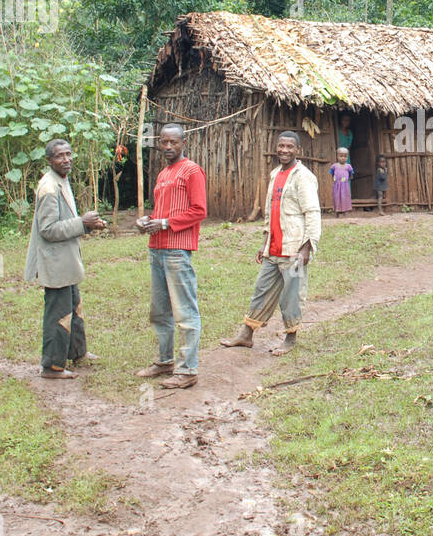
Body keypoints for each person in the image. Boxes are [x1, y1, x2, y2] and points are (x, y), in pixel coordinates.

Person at [223, 131, 321, 356]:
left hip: (294, 248)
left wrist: (307, 247)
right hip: (274, 247)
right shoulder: (276, 173)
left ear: (298, 150)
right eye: (281, 146)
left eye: (289, 147)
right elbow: (271, 212)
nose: (284, 150)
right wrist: (265, 242)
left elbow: (312, 212)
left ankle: (290, 338)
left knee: (292, 295)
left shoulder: (302, 176)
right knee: (261, 290)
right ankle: (246, 335)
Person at [24, 139, 107, 379]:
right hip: (55, 262)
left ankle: (77, 353)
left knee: (74, 308)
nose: (66, 160)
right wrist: (82, 222)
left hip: (67, 260)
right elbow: (48, 229)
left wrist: (89, 226)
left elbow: (67, 221)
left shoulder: (62, 180)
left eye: (69, 154)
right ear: (49, 160)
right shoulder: (48, 187)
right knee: (58, 314)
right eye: (60, 156)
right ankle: (52, 366)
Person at [135, 124, 207, 389]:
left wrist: (165, 223)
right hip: (157, 249)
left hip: (177, 250)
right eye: (163, 142)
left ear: (183, 143)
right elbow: (160, 212)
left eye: (173, 142)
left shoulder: (192, 171)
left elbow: (199, 210)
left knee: (185, 311)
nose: (167, 147)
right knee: (159, 311)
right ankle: (165, 361)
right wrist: (148, 221)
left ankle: (188, 370)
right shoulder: (164, 173)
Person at [329, 147, 354, 216]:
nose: (343, 158)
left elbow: (351, 175)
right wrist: (336, 180)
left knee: (345, 197)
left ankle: (345, 211)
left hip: (345, 186)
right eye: (341, 156)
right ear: (337, 156)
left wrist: (345, 180)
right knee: (336, 197)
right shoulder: (334, 166)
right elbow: (332, 174)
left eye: (345, 156)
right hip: (336, 185)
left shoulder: (348, 166)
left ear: (347, 157)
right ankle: (337, 211)